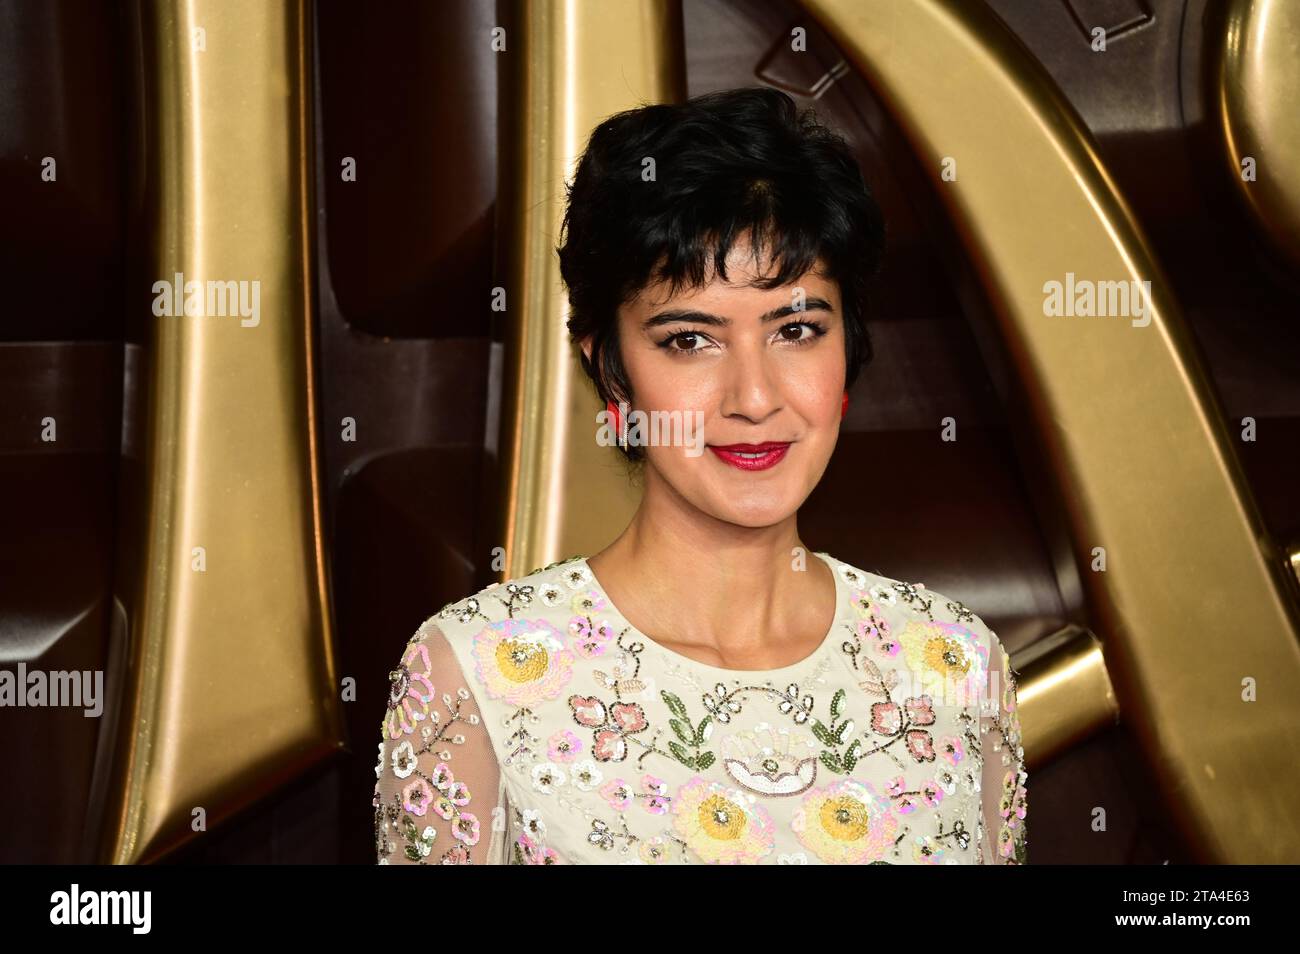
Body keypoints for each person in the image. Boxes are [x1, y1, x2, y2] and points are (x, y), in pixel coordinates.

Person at [372, 87, 1027, 865]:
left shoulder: (953, 665)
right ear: (610, 370)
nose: (754, 399)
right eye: (689, 340)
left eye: (796, 330)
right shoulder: (477, 675)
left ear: (846, 348)